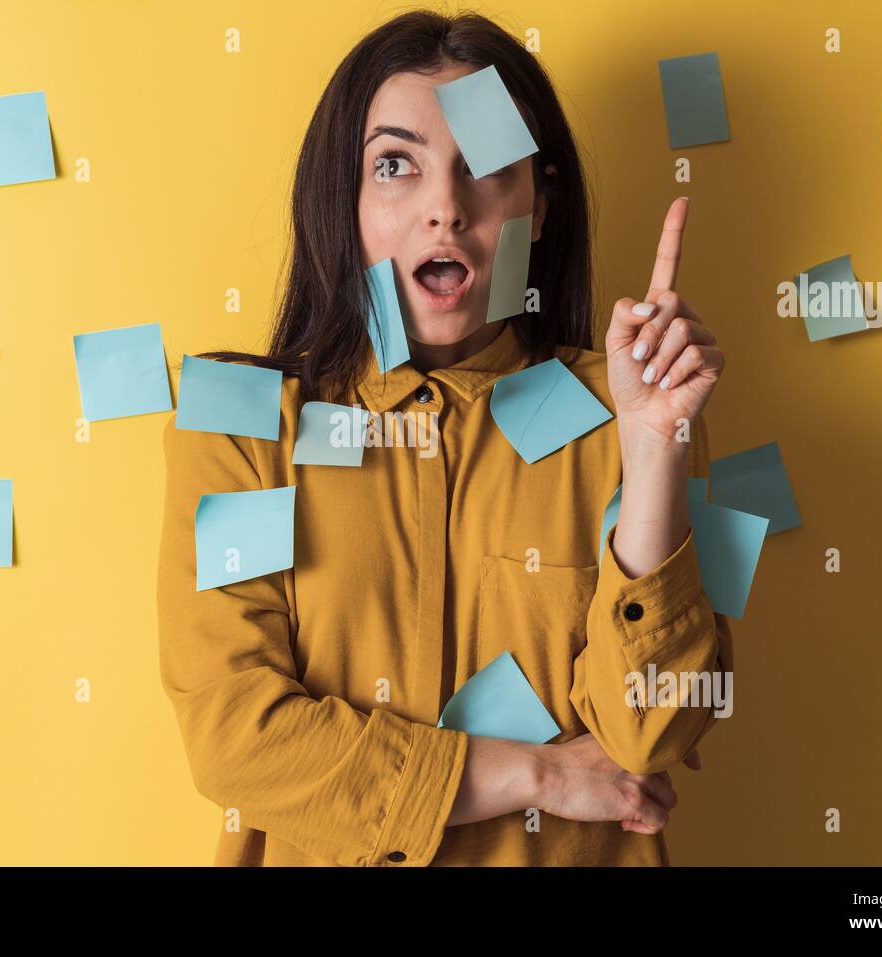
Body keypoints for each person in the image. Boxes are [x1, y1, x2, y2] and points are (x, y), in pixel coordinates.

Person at [157, 9, 731, 866]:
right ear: (343, 203)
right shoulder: (237, 420)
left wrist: (653, 454)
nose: (444, 209)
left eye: (488, 167)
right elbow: (236, 740)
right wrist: (541, 775)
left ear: (537, 208)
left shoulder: (632, 411)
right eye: (395, 165)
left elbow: (653, 731)